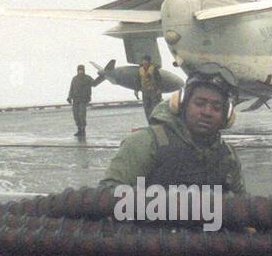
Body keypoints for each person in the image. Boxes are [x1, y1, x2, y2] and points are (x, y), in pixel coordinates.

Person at [101, 74, 245, 193]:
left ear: (226, 115)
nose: (207, 112)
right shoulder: (147, 142)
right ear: (182, 105)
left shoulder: (227, 156)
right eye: (199, 103)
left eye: (216, 107)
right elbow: (108, 194)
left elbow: (242, 208)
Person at [66, 65, 104, 140]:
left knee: (82, 115)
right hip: (75, 100)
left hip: (83, 100)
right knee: (76, 116)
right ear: (77, 70)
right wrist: (69, 97)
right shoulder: (74, 79)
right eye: (79, 70)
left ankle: (83, 130)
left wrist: (102, 77)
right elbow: (71, 88)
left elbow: (94, 84)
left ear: (84, 70)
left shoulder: (87, 78)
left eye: (81, 70)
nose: (80, 71)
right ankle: (79, 130)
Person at [137, 56, 163, 123]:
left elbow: (159, 79)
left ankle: (157, 122)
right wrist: (136, 90)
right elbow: (137, 81)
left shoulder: (154, 69)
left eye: (146, 61)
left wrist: (159, 89)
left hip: (154, 91)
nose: (144, 62)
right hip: (145, 92)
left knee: (155, 107)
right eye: (143, 61)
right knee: (146, 108)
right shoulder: (140, 69)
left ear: (149, 62)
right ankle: (150, 123)